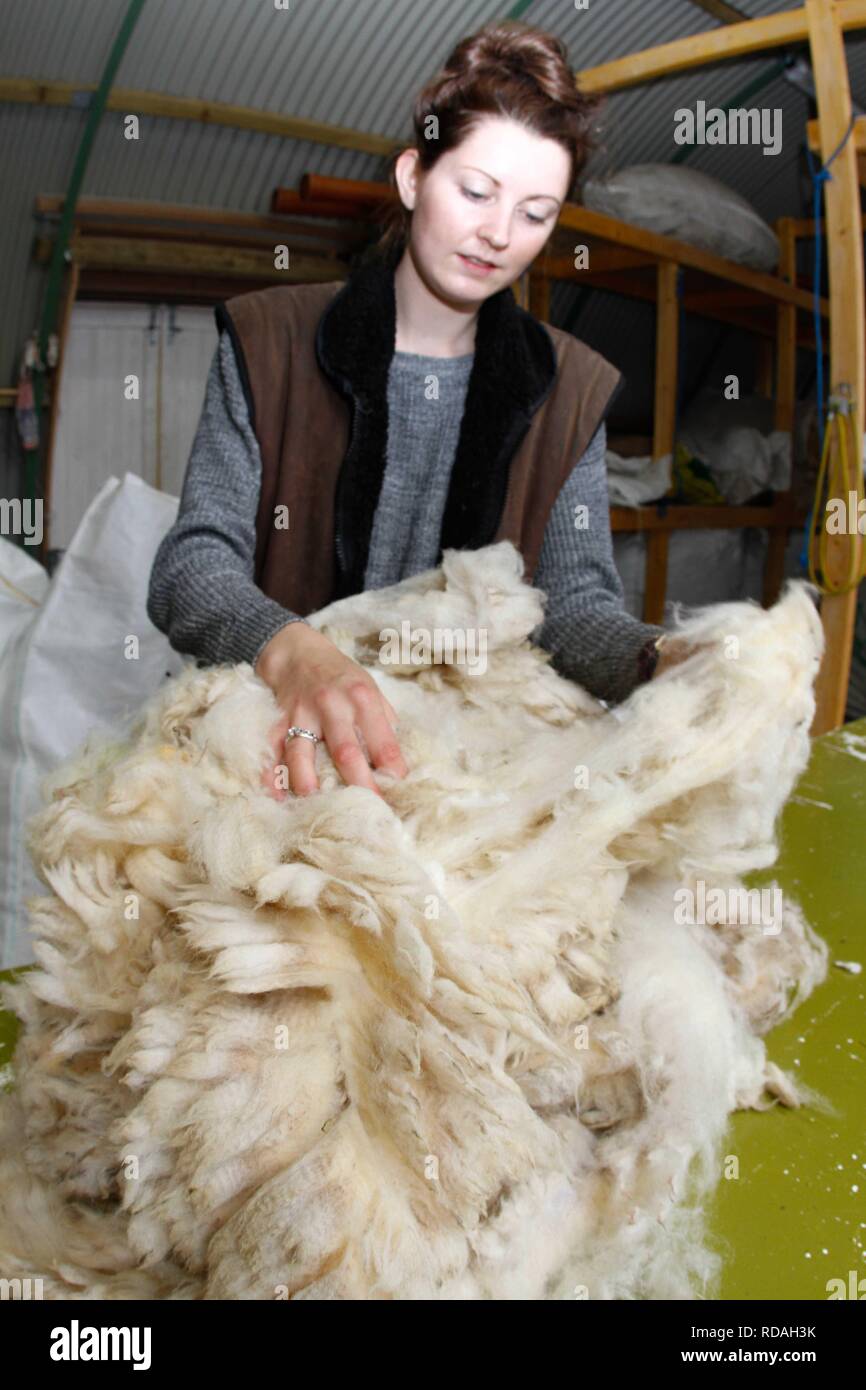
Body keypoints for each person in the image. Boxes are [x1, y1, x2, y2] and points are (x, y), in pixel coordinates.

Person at [147, 18, 686, 805]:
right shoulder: (273, 342)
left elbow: (573, 612)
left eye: (537, 213)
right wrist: (294, 651)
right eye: (475, 191)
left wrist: (663, 659)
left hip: (459, 771)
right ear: (411, 178)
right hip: (274, 745)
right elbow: (191, 567)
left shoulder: (570, 390)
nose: (499, 234)